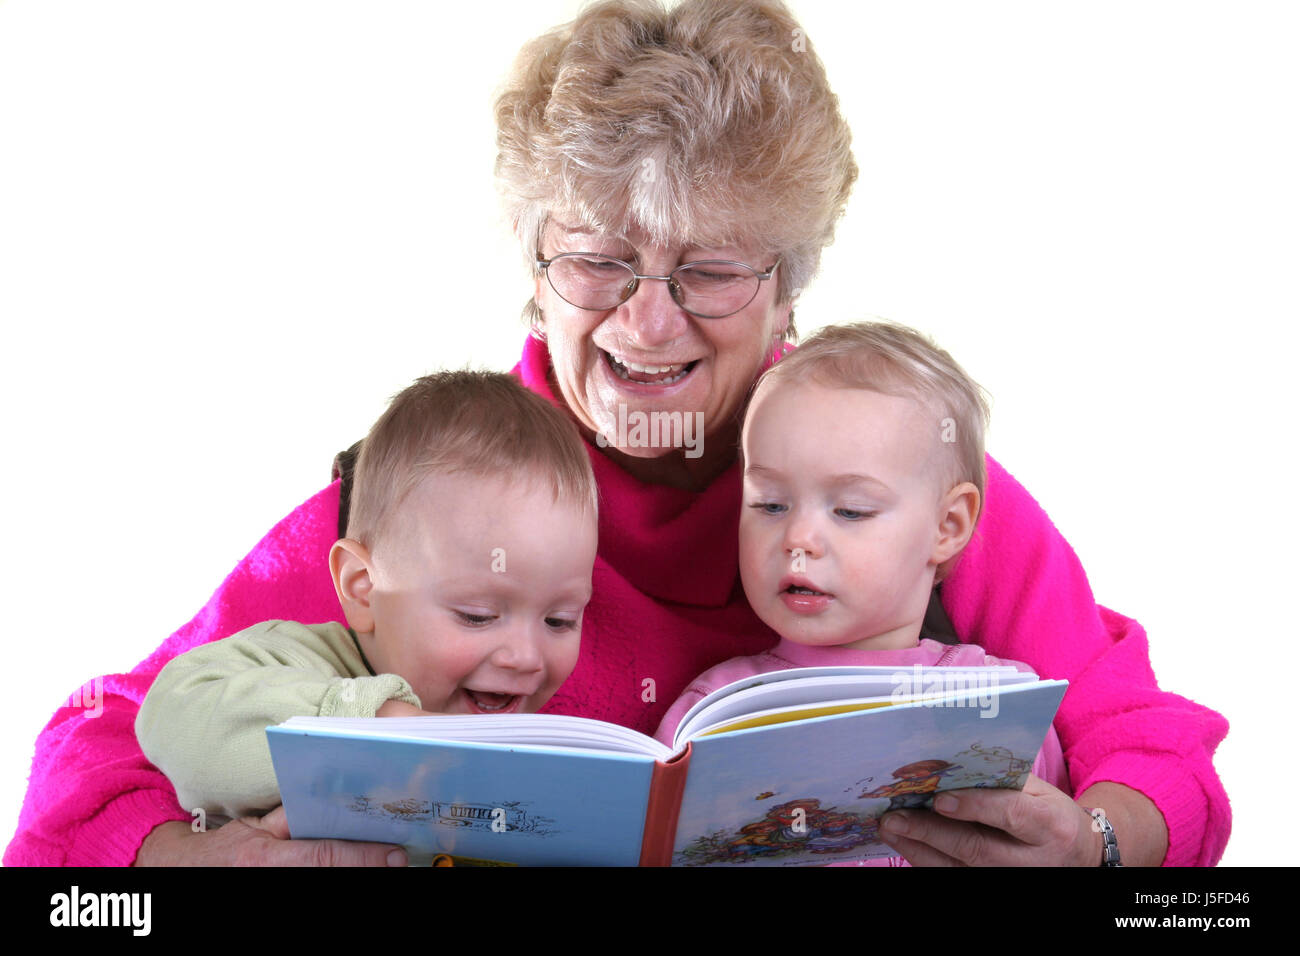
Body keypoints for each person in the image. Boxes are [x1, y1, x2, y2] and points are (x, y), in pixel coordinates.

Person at [5, 0, 1228, 867]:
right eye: (595, 259)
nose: (647, 320)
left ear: (788, 283)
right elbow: (89, 757)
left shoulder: (891, 469)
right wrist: (175, 860)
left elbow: (1149, 742)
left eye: (707, 268)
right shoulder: (441, 482)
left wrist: (1104, 845)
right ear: (535, 275)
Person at [653, 322, 1071, 863]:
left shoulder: (1000, 705)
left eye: (851, 510)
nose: (798, 540)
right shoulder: (714, 707)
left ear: (947, 526)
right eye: (770, 505)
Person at [134, 370, 599, 822]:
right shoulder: (297, 660)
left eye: (559, 621)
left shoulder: (526, 739)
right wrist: (375, 724)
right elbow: (172, 715)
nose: (526, 657)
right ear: (363, 587)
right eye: (477, 615)